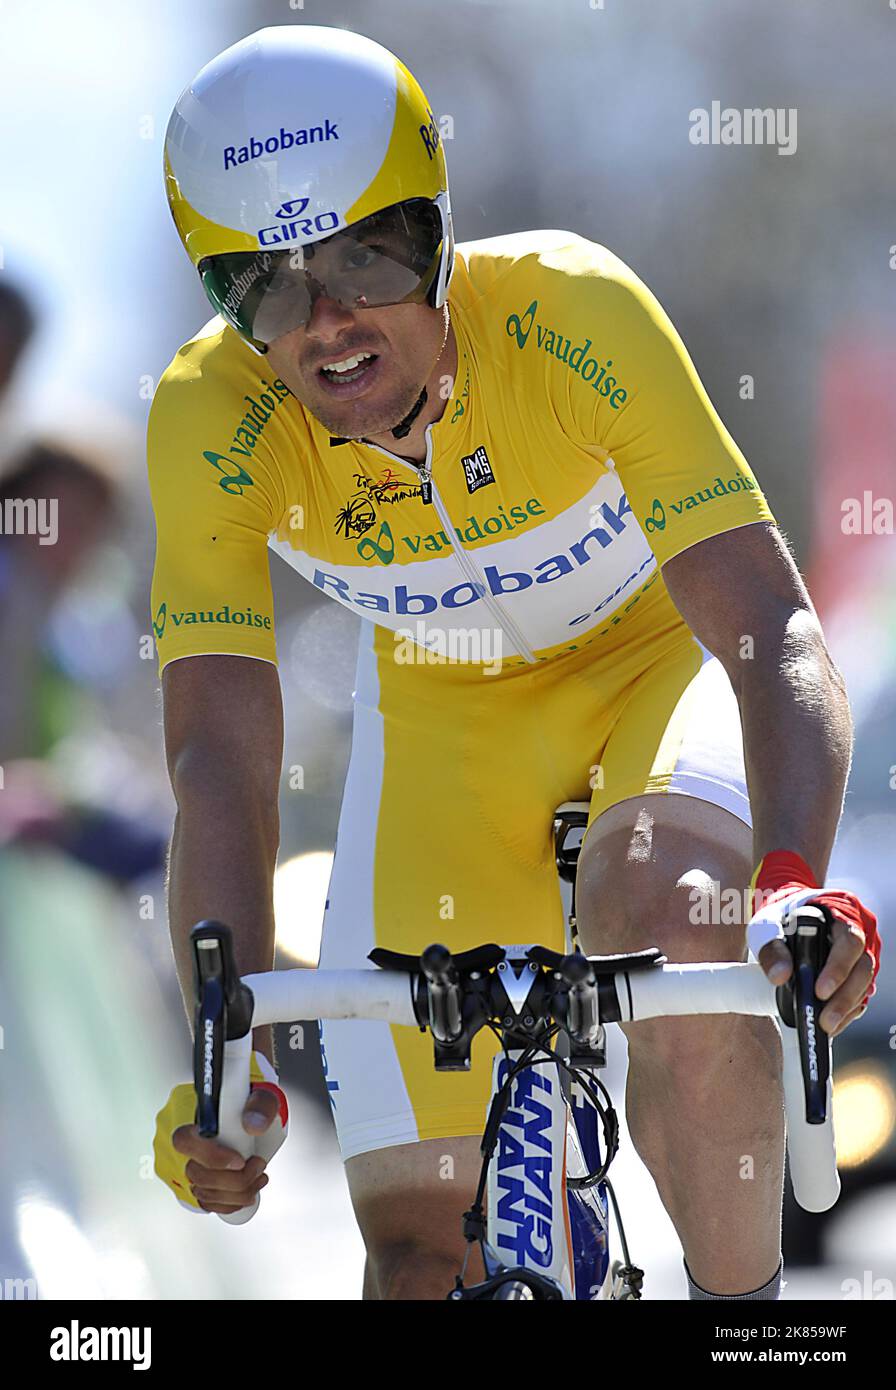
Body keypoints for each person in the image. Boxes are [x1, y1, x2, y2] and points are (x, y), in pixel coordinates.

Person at [149, 25, 880, 1301]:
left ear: (439, 228)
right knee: (420, 1252)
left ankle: (746, 1317)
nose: (326, 322)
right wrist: (227, 1053)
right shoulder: (210, 415)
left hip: (652, 670)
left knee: (669, 912)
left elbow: (771, 628)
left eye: (366, 257)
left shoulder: (569, 311)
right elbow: (217, 755)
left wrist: (790, 887)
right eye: (263, 286)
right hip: (441, 726)